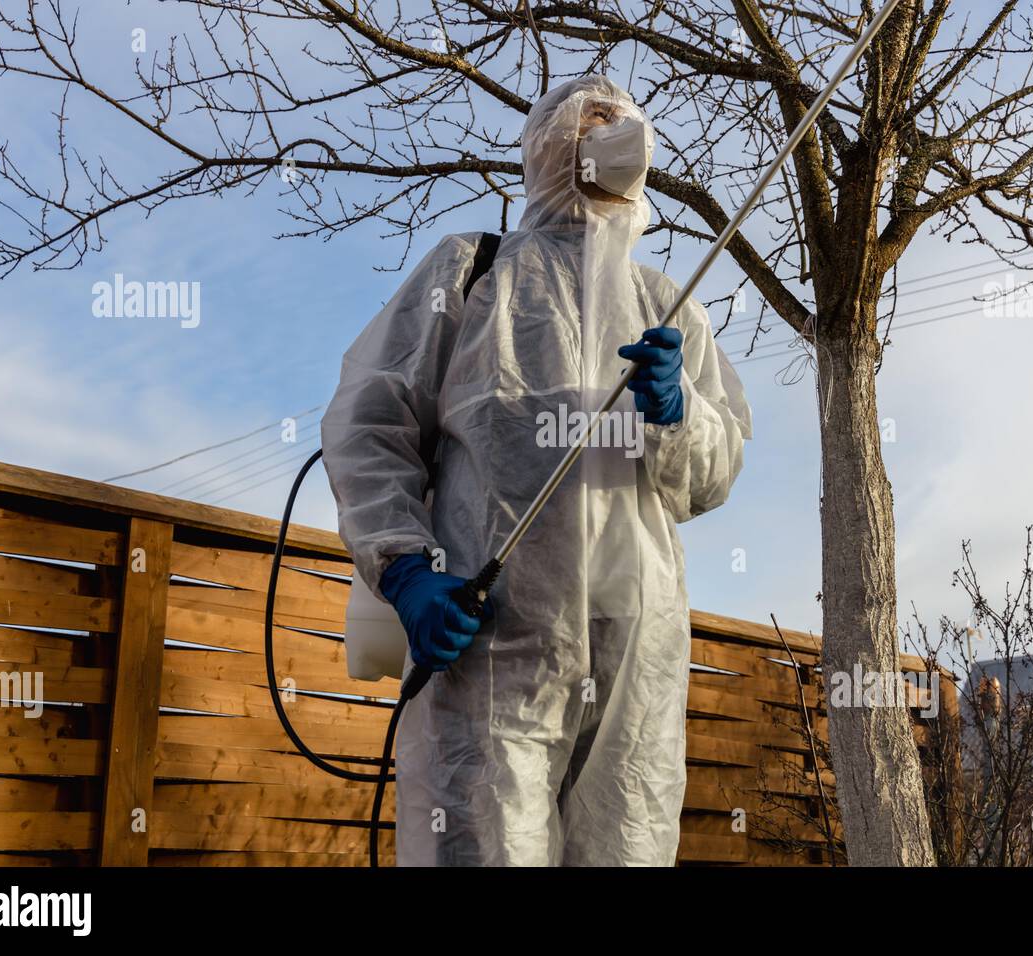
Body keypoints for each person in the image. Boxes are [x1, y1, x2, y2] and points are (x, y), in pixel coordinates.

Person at [321, 75, 752, 866]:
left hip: (635, 662)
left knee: (626, 844)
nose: (615, 138)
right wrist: (409, 573)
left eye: (620, 124)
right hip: (492, 646)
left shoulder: (668, 304)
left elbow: (713, 476)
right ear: (550, 146)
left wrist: (680, 412)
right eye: (594, 123)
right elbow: (369, 426)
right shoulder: (472, 275)